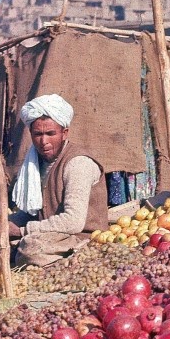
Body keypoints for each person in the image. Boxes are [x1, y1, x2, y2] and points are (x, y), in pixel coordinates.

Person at [9, 94, 108, 266]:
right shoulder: (35, 163)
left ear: (64, 133)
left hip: (80, 239)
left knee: (29, 249)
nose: (44, 141)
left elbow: (73, 222)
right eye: (38, 134)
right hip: (50, 235)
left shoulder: (78, 164)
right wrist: (5, 224)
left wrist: (22, 231)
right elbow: (33, 211)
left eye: (50, 133)